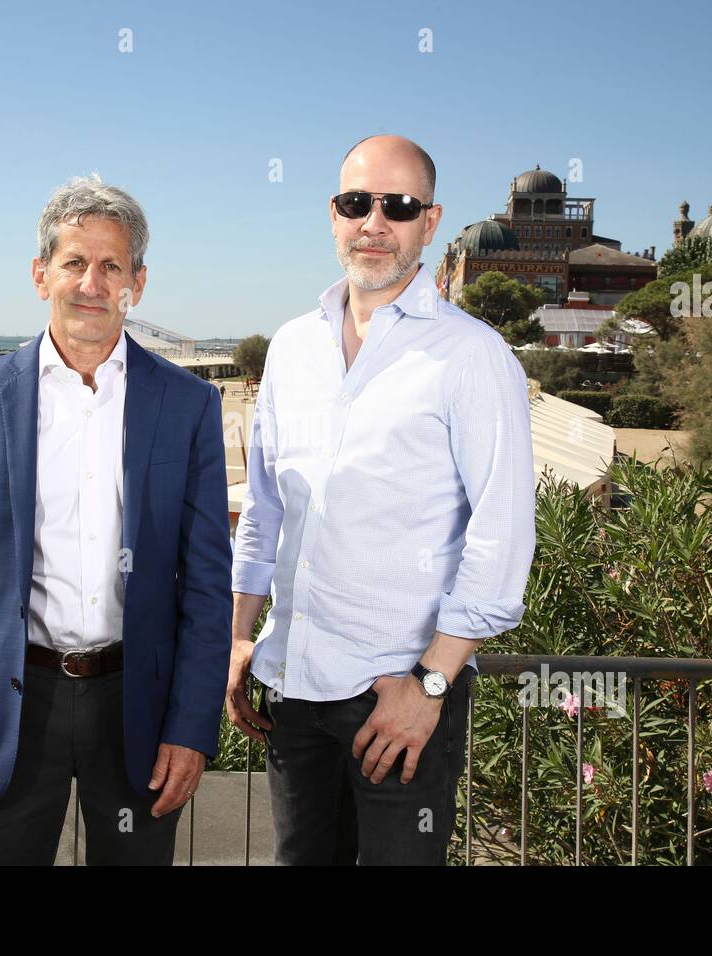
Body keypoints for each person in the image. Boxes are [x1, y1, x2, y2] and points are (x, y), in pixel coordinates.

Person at [227, 135, 537, 865]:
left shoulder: (472, 356)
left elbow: (500, 537)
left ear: (429, 224)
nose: (374, 222)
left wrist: (429, 685)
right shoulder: (292, 348)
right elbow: (267, 511)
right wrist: (240, 635)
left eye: (397, 206)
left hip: (397, 697)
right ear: (332, 217)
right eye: (356, 203)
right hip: (292, 693)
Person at [0, 174, 232, 865]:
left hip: (140, 713)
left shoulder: (189, 406)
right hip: (7, 713)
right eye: (75, 262)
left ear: (136, 284)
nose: (92, 282)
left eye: (112, 265)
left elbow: (208, 584)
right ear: (40, 274)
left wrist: (193, 728)